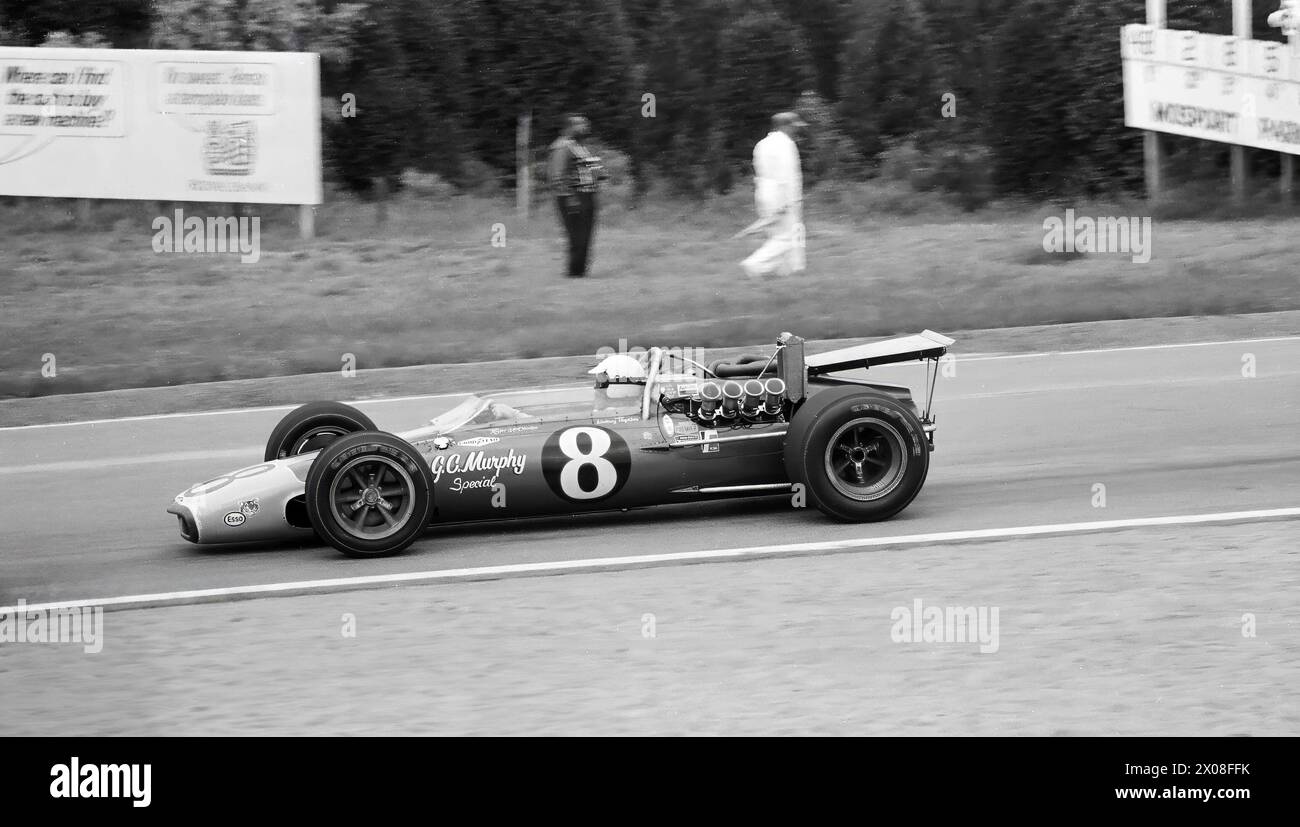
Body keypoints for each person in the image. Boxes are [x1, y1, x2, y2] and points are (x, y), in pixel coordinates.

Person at [741, 111, 806, 278]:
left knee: (776, 234)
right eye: (793, 126)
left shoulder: (762, 144)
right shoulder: (786, 145)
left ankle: (784, 272)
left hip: (763, 192)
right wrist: (789, 201)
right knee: (786, 237)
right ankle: (754, 264)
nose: (796, 130)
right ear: (784, 126)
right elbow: (788, 174)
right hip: (781, 193)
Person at [549, 114, 607, 277]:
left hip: (587, 195)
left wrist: (600, 173)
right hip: (572, 196)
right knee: (577, 236)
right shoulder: (561, 146)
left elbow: (593, 168)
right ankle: (573, 273)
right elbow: (557, 175)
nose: (585, 127)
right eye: (581, 124)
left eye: (585, 124)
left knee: (586, 235)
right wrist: (570, 197)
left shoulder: (580, 146)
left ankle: (581, 272)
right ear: (569, 127)